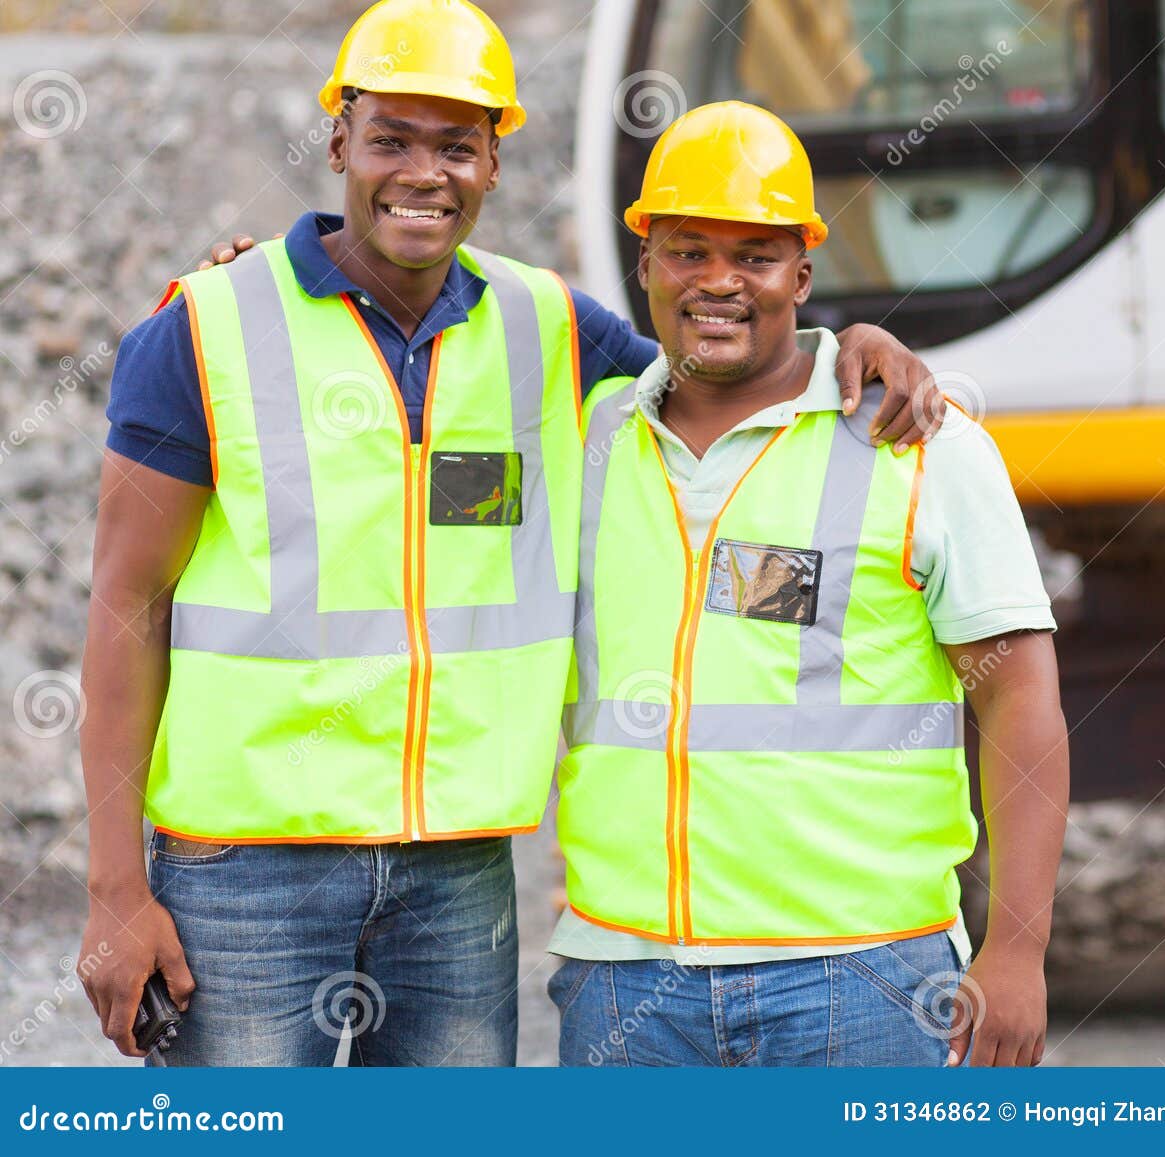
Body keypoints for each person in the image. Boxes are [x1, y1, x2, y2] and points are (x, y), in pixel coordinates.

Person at [79, 0, 942, 1067]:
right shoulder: (204, 329)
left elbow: (722, 360)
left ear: (494, 160)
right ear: (339, 139)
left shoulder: (551, 331)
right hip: (247, 873)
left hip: (456, 872)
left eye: (457, 144)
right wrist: (117, 887)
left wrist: (847, 344)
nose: (423, 173)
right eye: (391, 137)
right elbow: (126, 603)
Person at [550, 102, 1072, 1067]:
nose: (717, 281)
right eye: (688, 250)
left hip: (860, 977)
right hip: (623, 974)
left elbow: (1018, 693)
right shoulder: (587, 438)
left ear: (803, 270)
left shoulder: (918, 440)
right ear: (647, 264)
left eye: (754, 255)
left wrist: (1018, 948)